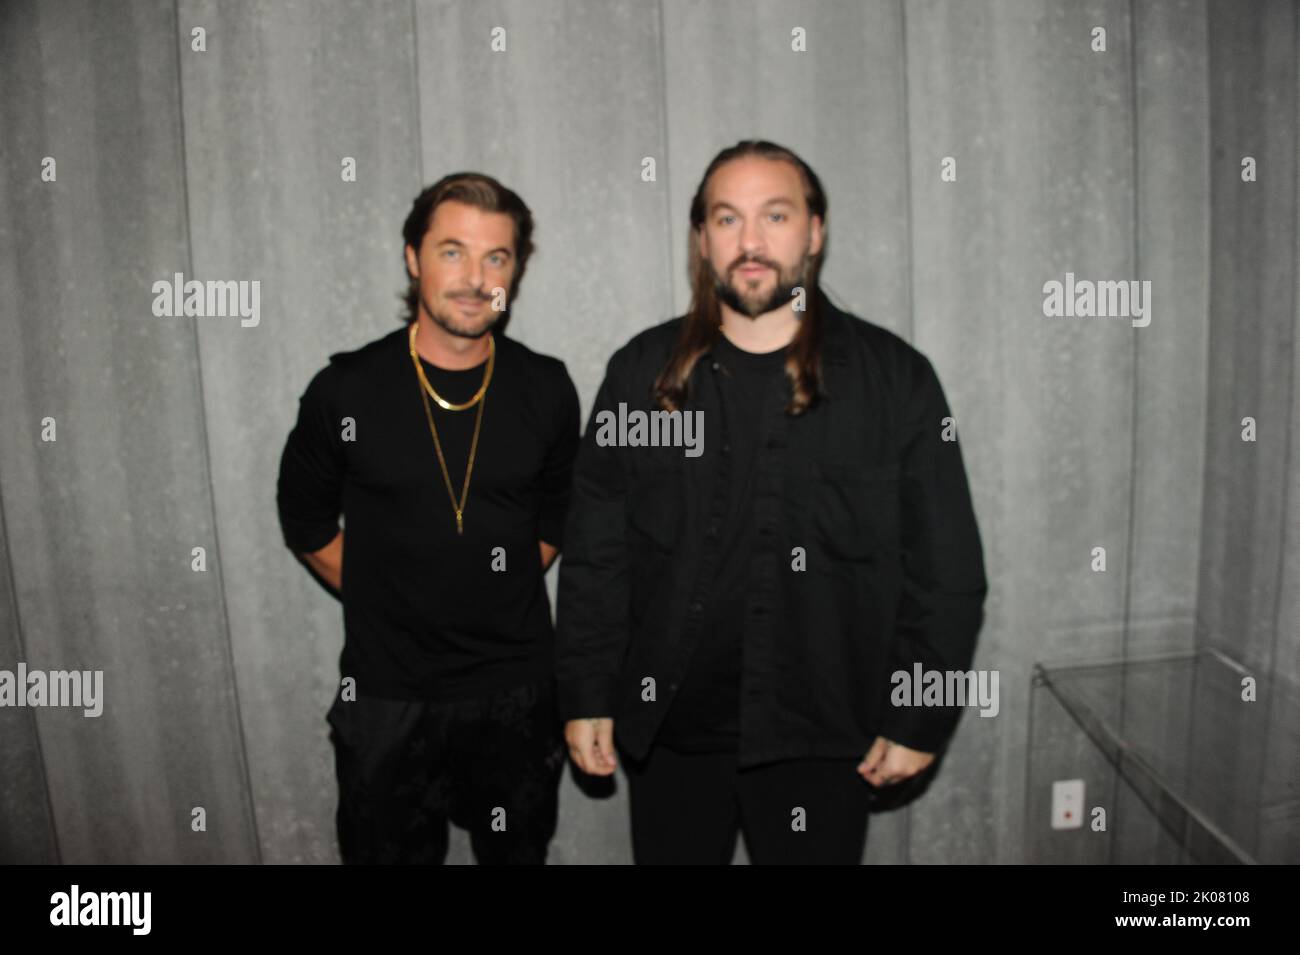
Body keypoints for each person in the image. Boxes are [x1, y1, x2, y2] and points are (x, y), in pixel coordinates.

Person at [556, 140, 988, 864]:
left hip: (822, 740)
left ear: (815, 232)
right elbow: (598, 550)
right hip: (674, 733)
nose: (750, 242)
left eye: (775, 216)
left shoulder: (896, 383)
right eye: (727, 219)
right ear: (701, 238)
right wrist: (586, 691)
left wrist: (919, 714)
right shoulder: (641, 375)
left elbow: (948, 573)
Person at [276, 173, 579, 864]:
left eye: (495, 257)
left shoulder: (547, 387)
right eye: (452, 251)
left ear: (515, 271)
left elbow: (560, 513)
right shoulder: (346, 389)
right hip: (387, 696)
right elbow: (305, 520)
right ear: (413, 256)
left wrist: (489, 588)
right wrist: (395, 597)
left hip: (517, 695)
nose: (474, 278)